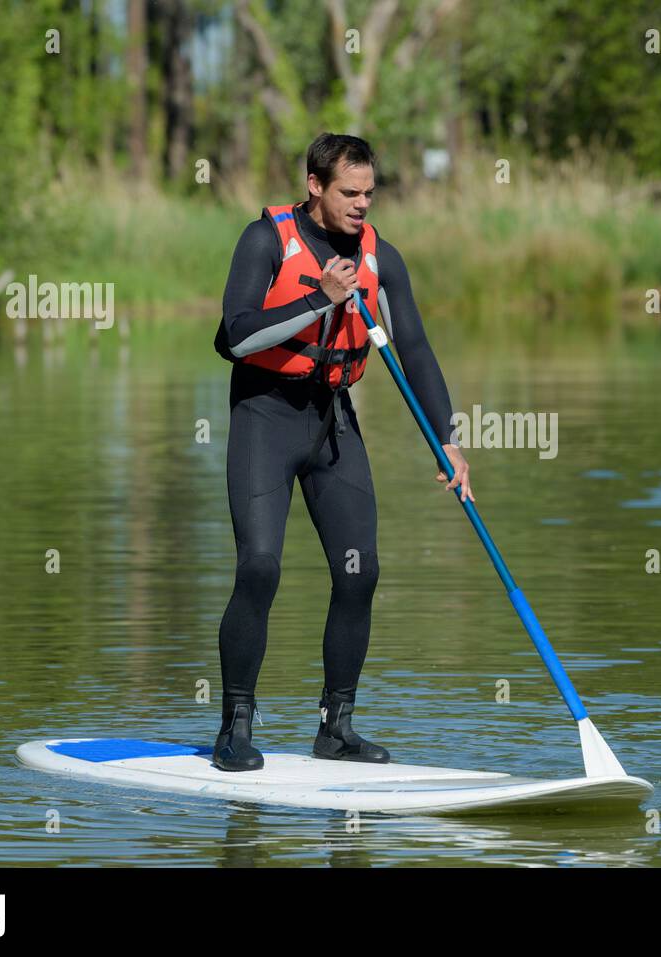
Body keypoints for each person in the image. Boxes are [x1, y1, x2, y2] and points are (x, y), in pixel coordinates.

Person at [211, 133, 473, 770]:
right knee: (260, 569)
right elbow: (234, 338)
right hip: (264, 416)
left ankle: (336, 727)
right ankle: (235, 727)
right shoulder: (265, 240)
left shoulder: (382, 257)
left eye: (369, 193)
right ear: (314, 186)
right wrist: (318, 300)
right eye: (349, 193)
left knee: (361, 572)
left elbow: (415, 350)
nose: (362, 205)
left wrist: (448, 440)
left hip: (332, 425)